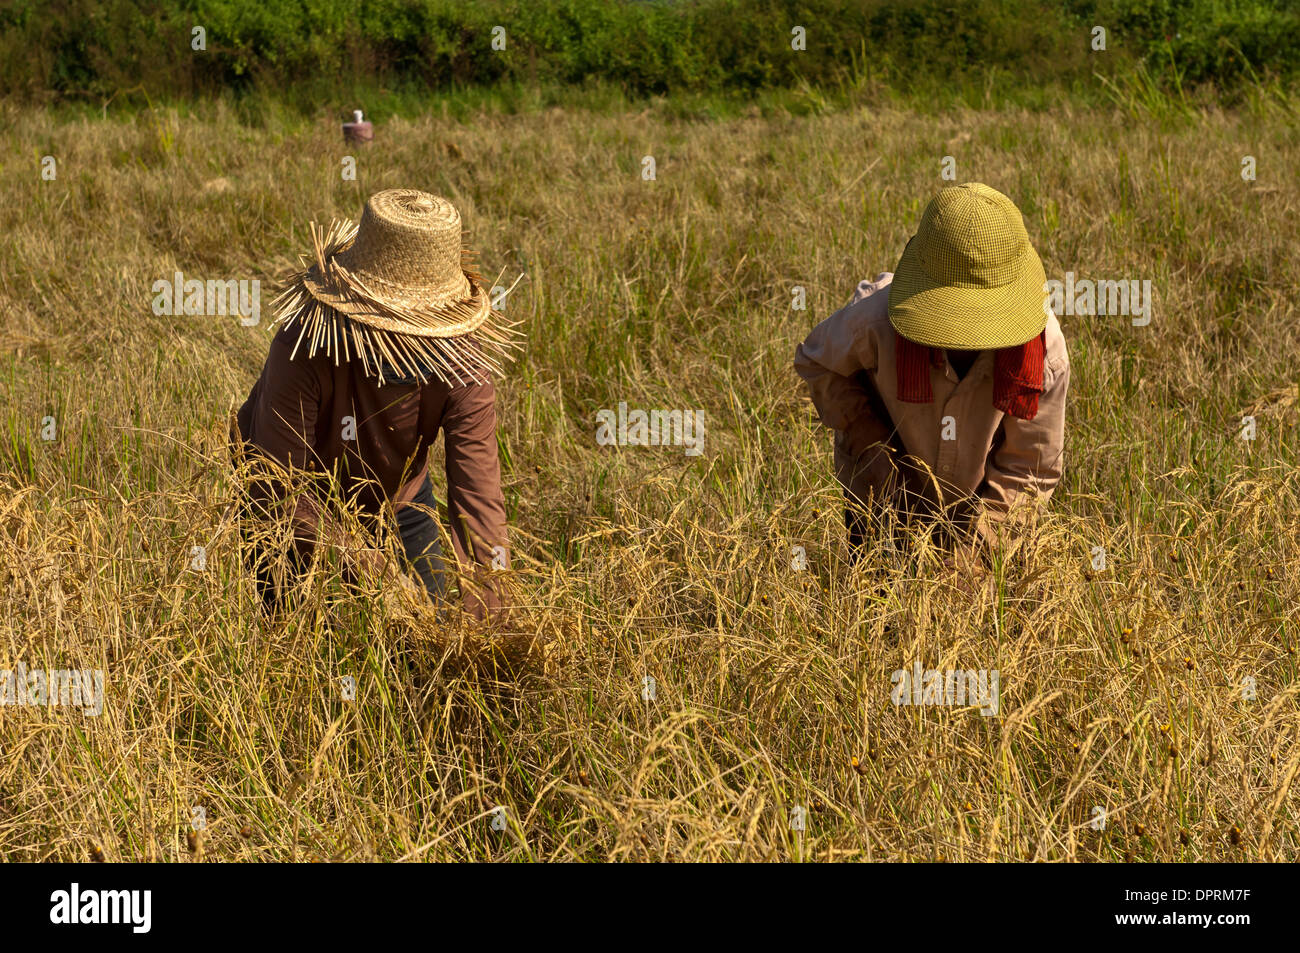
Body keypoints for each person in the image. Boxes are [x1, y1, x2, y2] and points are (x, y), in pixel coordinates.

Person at [231, 188, 519, 618]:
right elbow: (280, 488)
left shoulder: (463, 366)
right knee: (295, 642)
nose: (409, 348)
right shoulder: (304, 347)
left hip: (398, 495)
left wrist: (493, 615)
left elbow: (478, 499)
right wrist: (375, 575)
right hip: (292, 495)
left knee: (425, 633)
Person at [794, 182, 1069, 565]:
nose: (967, 332)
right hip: (880, 494)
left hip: (982, 500)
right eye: (954, 314)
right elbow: (818, 362)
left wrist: (974, 554)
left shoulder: (1042, 352)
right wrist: (870, 440)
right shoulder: (876, 320)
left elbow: (1029, 470)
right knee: (877, 599)